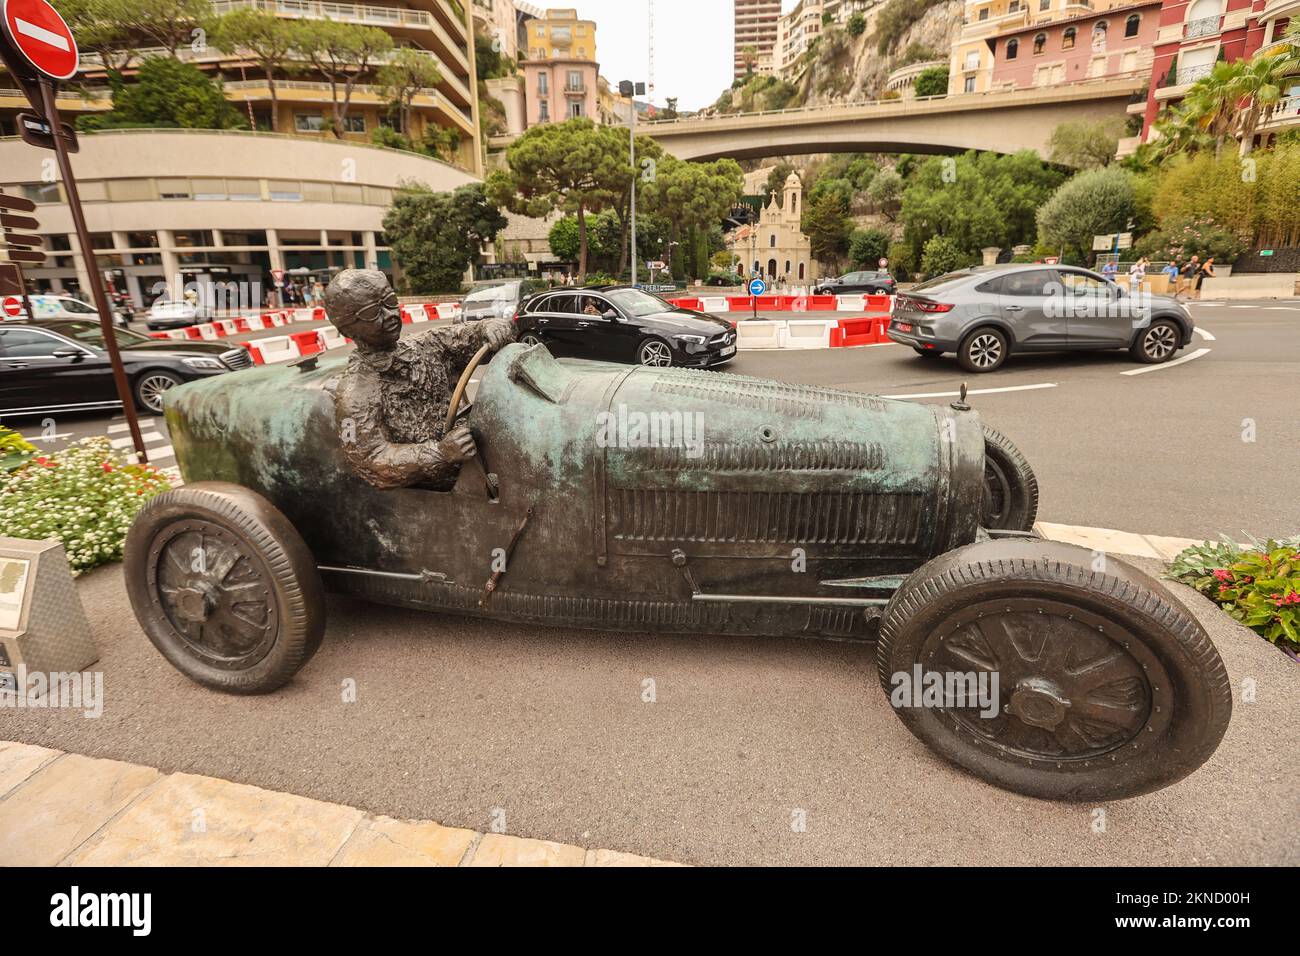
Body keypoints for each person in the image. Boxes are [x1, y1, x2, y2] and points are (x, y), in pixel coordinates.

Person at [324, 269, 516, 491]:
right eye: (372, 313)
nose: (390, 315)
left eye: (390, 301)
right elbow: (370, 460)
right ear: (347, 328)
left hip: (481, 459)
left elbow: (469, 336)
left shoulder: (426, 344)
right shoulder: (355, 393)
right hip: (444, 490)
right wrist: (441, 453)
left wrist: (490, 326)